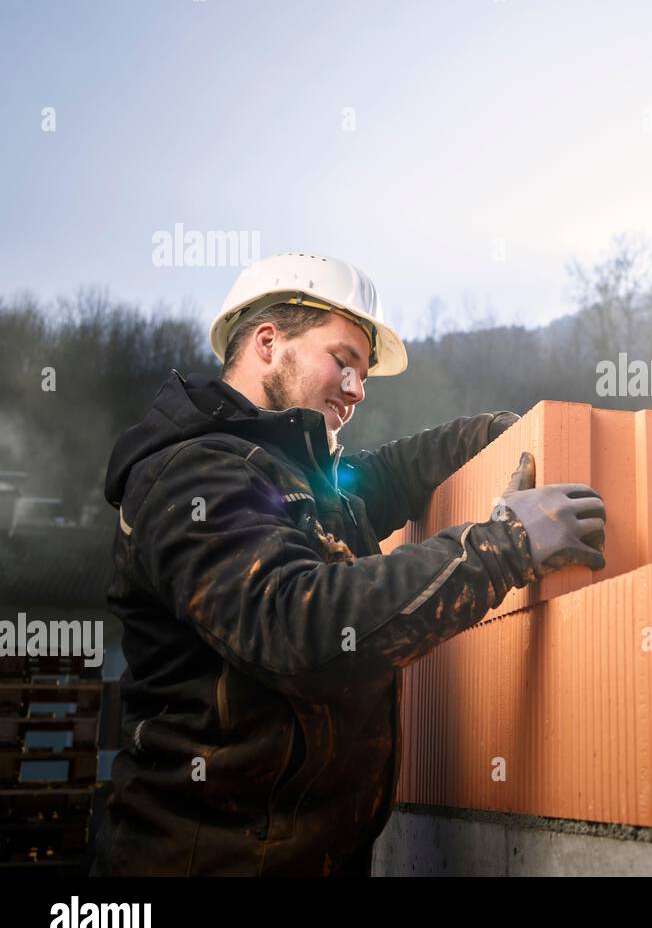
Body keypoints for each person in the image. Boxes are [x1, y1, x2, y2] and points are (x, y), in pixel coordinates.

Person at [90, 252, 606, 876]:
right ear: (268, 341)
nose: (357, 390)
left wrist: (489, 436)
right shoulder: (191, 475)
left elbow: (383, 478)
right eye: (344, 362)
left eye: (364, 374)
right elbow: (296, 624)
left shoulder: (291, 475)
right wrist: (504, 545)